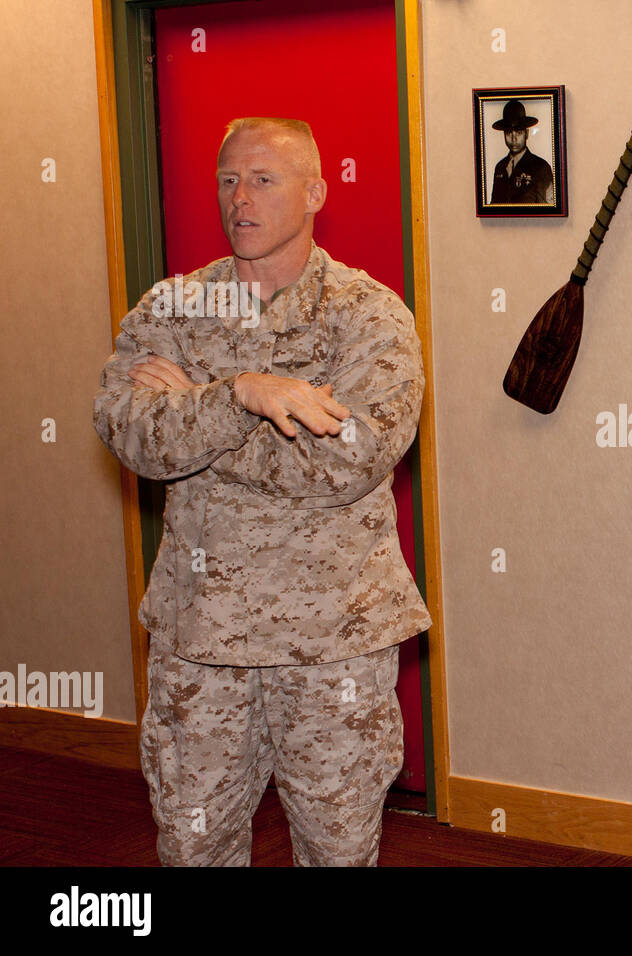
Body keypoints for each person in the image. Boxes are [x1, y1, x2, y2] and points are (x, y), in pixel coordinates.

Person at [93, 116, 432, 866]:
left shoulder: (368, 317)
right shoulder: (174, 308)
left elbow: (350, 459)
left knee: (337, 850)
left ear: (315, 192)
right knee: (193, 847)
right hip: (200, 639)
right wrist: (243, 394)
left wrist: (199, 413)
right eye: (227, 180)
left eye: (263, 179)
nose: (239, 198)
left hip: (332, 641)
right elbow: (129, 432)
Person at [489, 99, 554, 205]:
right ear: (504, 135)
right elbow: (493, 207)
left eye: (518, 133)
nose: (514, 139)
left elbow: (548, 207)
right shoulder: (500, 167)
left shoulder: (540, 167)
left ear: (526, 134)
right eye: (509, 133)